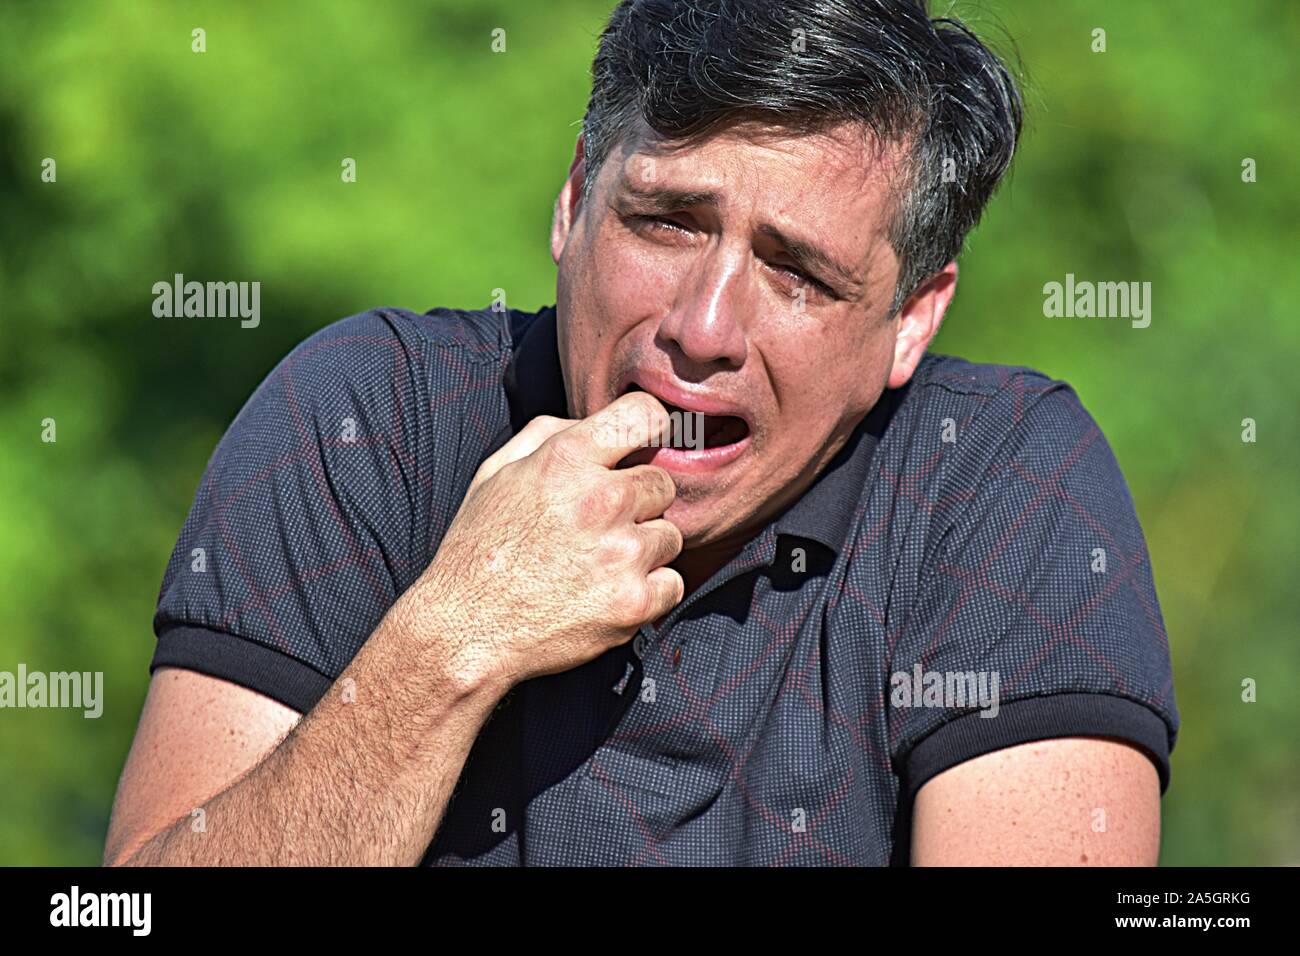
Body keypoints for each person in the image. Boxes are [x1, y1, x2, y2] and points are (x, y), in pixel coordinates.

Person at [105, 0, 1178, 866]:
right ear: (575, 200)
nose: (703, 327)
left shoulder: (1006, 490)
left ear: (909, 319)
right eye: (668, 222)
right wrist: (450, 643)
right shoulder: (362, 421)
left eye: (796, 272)